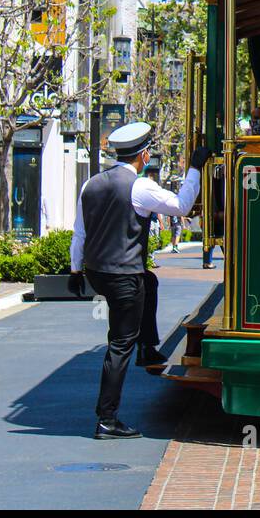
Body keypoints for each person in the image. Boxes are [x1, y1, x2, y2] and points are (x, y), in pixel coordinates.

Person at [69, 121, 212, 440]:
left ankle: (148, 348)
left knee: (150, 281)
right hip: (122, 274)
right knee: (119, 343)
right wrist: (194, 169)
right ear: (144, 155)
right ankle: (107, 419)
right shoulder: (140, 187)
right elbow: (181, 206)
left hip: (97, 271)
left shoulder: (90, 184)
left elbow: (79, 232)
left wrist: (75, 271)